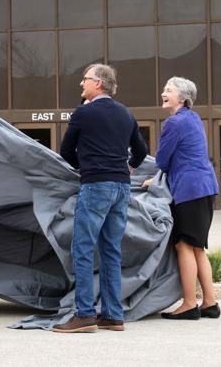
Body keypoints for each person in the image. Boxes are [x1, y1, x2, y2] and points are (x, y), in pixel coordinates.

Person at [54, 64, 147, 333]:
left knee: (83, 248)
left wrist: (87, 167)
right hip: (121, 187)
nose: (81, 84)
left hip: (95, 185)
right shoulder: (125, 113)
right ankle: (113, 315)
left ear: (98, 83)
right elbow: (141, 152)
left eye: (85, 79)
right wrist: (128, 166)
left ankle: (84, 314)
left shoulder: (83, 113)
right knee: (111, 250)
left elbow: (66, 152)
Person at [143, 77, 220, 320]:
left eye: (169, 90)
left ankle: (189, 303)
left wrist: (155, 178)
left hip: (189, 189)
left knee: (184, 245)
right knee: (197, 247)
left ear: (183, 98)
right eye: (164, 88)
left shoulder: (174, 122)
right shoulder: (193, 118)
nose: (163, 93)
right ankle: (209, 302)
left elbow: (162, 160)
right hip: (204, 186)